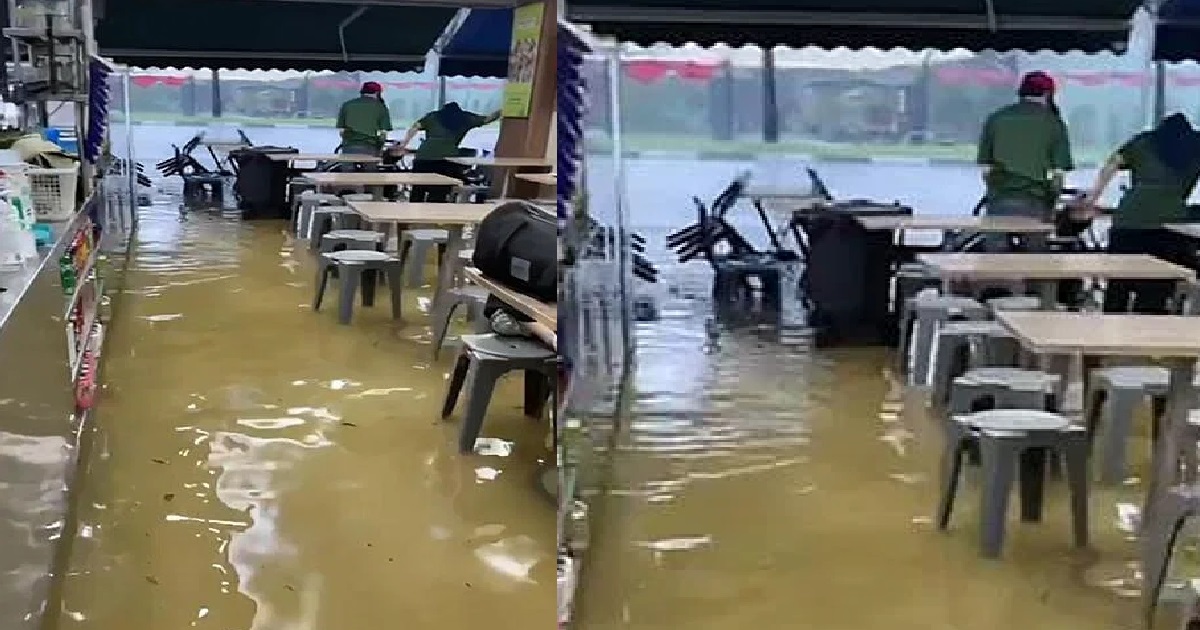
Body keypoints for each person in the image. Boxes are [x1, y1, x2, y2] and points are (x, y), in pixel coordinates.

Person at [1079, 112, 1200, 313]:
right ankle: (1146, 333)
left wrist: (1093, 197)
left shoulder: (1145, 141)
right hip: (1169, 224)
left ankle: (1107, 334)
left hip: (1128, 221)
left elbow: (1113, 162)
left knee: (1118, 286)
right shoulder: (1195, 145)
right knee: (1156, 288)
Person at [976, 71, 1074, 252]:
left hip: (999, 200)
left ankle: (997, 280)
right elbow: (1057, 176)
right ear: (1047, 94)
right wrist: (1052, 205)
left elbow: (986, 170)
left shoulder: (996, 118)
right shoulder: (1053, 123)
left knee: (995, 259)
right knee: (1035, 259)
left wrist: (997, 189)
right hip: (1036, 201)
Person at [393, 102, 502, 202]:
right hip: (447, 159)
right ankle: (436, 217)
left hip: (423, 157)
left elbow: (415, 127)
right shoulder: (464, 118)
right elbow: (488, 119)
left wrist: (404, 143)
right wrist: (504, 109)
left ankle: (411, 218)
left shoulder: (433, 116)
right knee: (440, 191)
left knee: (418, 190)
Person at [336, 81, 392, 156]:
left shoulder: (347, 105)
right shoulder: (381, 107)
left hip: (348, 147)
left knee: (347, 167)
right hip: (370, 148)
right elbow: (383, 134)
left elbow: (342, 132)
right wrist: (380, 148)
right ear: (377, 93)